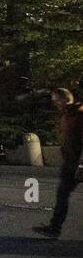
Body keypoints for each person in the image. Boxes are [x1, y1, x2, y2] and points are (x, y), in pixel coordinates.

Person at [34, 88, 82, 239]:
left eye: (56, 100)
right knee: (62, 194)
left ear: (64, 99)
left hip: (77, 163)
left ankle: (55, 228)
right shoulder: (69, 114)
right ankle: (54, 228)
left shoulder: (79, 115)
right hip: (71, 161)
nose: (55, 104)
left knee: (62, 194)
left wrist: (81, 165)